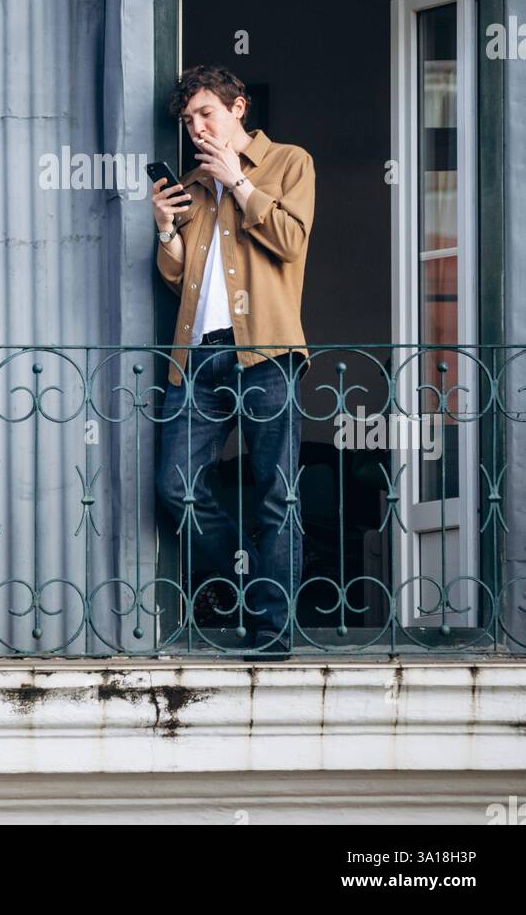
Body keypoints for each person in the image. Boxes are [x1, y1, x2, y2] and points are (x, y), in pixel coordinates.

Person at [151, 64, 315, 656]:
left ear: (238, 108)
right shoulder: (192, 187)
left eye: (206, 114)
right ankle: (249, 578)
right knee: (176, 487)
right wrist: (167, 228)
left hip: (266, 353)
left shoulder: (289, 162)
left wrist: (238, 183)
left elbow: (292, 242)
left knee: (278, 493)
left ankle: (274, 633)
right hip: (196, 358)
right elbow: (179, 279)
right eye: (188, 119)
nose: (196, 128)